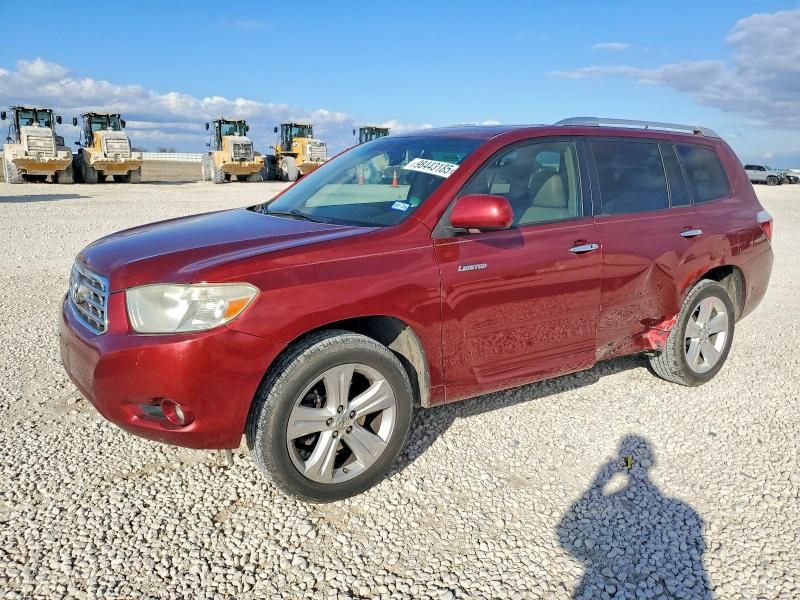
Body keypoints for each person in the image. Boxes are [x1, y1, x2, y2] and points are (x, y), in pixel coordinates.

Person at [558, 435, 711, 599]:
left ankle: (627, 464)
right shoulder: (678, 506)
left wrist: (600, 481)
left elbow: (563, 535)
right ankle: (628, 464)